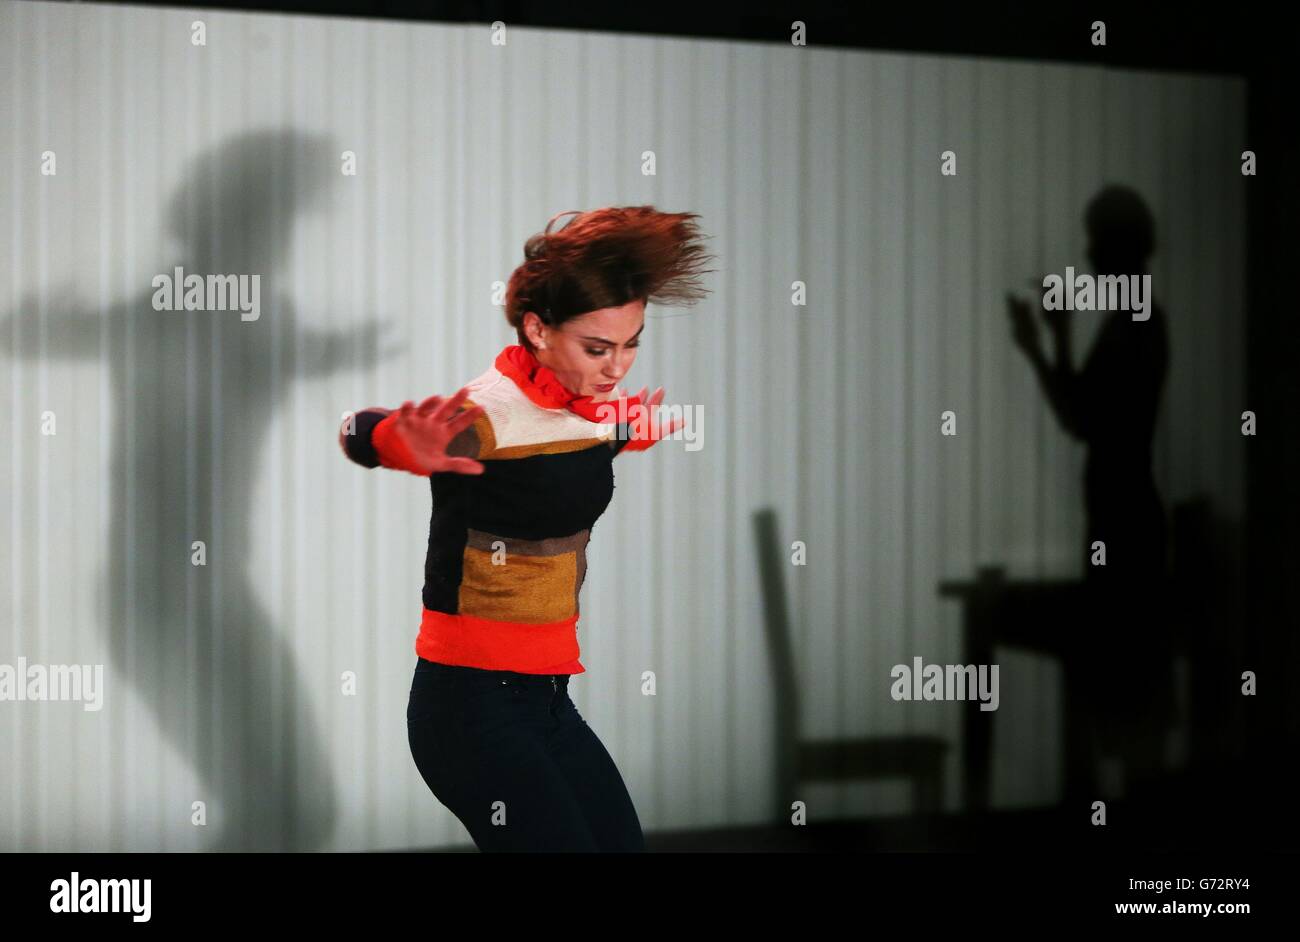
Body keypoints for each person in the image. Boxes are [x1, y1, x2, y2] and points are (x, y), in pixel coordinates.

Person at [340, 206, 714, 851]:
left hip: (547, 702)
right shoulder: (488, 414)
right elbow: (361, 427)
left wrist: (631, 432)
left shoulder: (582, 413)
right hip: (469, 707)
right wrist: (395, 440)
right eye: (597, 348)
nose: (616, 367)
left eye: (630, 345)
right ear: (537, 330)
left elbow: (579, 447)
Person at [1007, 185, 1176, 802]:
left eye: (1096, 239)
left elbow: (1080, 418)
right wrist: (1050, 342)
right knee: (1127, 711)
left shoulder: (1135, 324)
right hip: (1124, 525)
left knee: (1123, 708)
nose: (1088, 253)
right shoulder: (1137, 320)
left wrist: (1046, 344)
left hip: (1122, 529)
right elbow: (1083, 416)